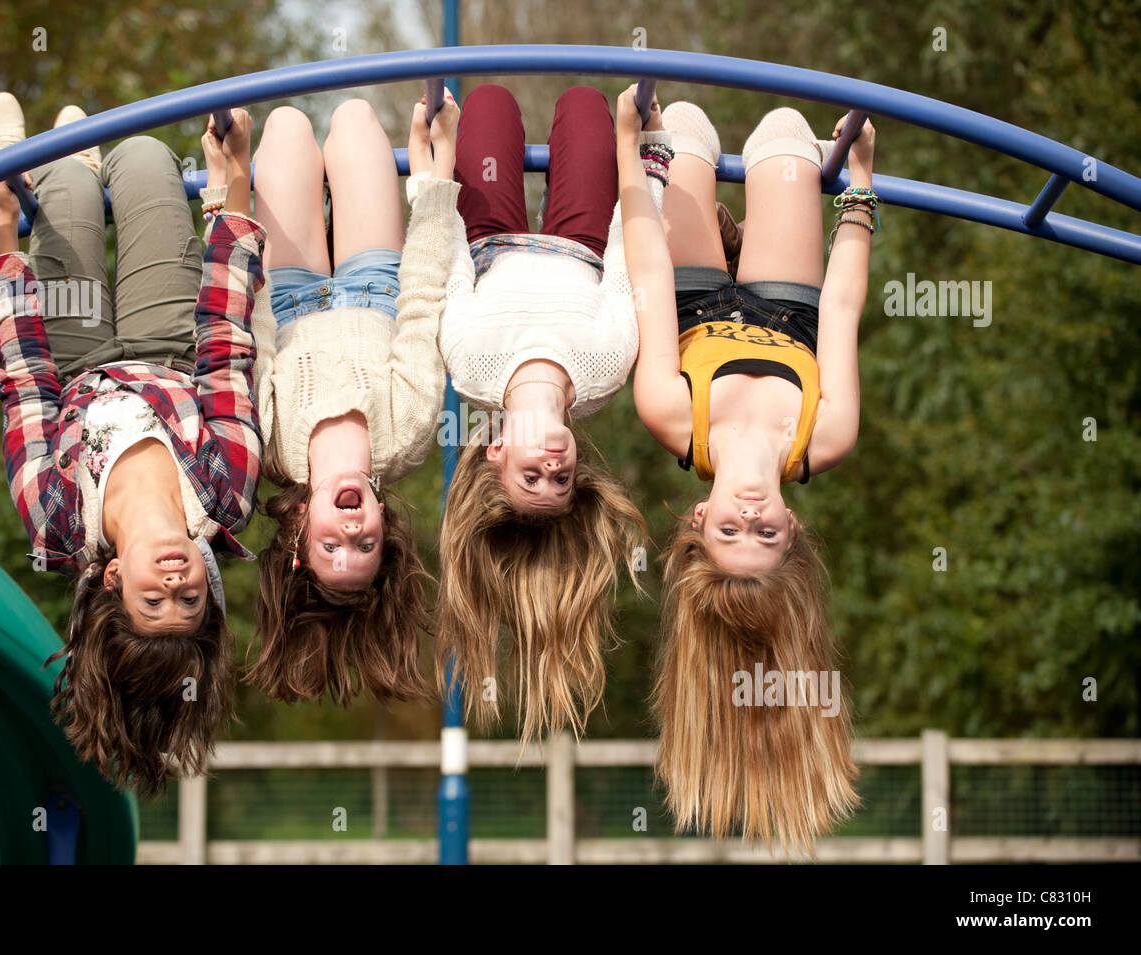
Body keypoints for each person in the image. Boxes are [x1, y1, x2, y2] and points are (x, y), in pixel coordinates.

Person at [0, 92, 265, 794]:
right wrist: (234, 187)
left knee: (65, 187)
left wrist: (5, 235)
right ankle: (82, 160)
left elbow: (24, 386)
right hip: (167, 342)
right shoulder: (226, 491)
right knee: (141, 156)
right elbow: (227, 352)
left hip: (74, 360)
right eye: (189, 604)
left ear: (112, 583)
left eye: (152, 602)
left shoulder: (56, 518)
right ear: (209, 588)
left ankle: (46, 177)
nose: (173, 587)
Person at [619, 87, 877, 850]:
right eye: (764, 530)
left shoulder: (672, 414)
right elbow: (843, 307)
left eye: (732, 526)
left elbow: (647, 281)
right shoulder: (823, 434)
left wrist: (637, 160)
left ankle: (701, 189)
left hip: (692, 298)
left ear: (699, 518)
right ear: (791, 527)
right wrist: (859, 188)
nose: (753, 507)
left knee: (688, 126)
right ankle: (762, 198)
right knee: (784, 138)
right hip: (790, 306)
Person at [408, 84, 663, 743]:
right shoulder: (608, 366)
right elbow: (628, 257)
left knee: (489, 102)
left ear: (496, 453)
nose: (553, 469)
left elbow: (449, 263)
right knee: (585, 104)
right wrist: (647, 152)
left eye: (532, 478)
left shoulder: (469, 365)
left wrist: (433, 173)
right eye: (561, 482)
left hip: (489, 238)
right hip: (580, 241)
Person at [245, 92, 456, 705]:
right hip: (375, 285)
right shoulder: (408, 433)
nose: (351, 527)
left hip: (285, 291)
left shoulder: (270, 448)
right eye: (365, 545)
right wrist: (434, 188)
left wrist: (230, 211)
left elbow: (251, 336)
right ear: (386, 527)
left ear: (296, 540)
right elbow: (422, 305)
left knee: (284, 126)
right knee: (357, 118)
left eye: (331, 544)